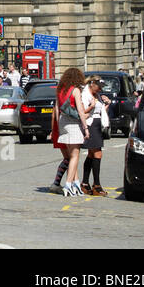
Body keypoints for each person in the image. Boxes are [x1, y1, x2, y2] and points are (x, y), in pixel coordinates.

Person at [53, 67, 88, 197]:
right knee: (75, 156)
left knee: (71, 155)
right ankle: (68, 184)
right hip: (73, 124)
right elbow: (80, 111)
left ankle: (76, 183)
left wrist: (58, 125)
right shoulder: (76, 91)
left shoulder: (60, 91)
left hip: (62, 122)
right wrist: (85, 128)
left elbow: (57, 110)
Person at [80, 75, 110, 196]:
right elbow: (82, 111)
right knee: (97, 153)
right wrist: (92, 105)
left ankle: (85, 183)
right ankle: (96, 185)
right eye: (99, 86)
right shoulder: (85, 94)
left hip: (97, 125)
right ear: (92, 83)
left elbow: (100, 111)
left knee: (91, 154)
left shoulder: (96, 95)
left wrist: (107, 104)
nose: (100, 89)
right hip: (90, 125)